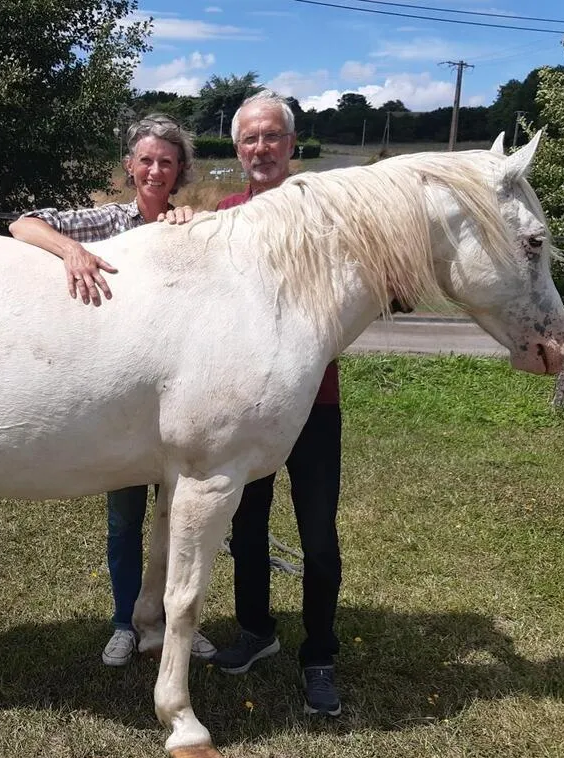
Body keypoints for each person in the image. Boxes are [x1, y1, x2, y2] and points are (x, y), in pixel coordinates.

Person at [8, 114, 215, 667]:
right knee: (125, 522)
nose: (154, 170)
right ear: (130, 167)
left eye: (166, 163)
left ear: (180, 172)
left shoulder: (190, 226)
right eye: (145, 160)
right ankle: (126, 621)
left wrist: (193, 224)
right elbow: (23, 224)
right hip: (126, 405)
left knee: (183, 522)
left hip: (184, 399)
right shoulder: (108, 221)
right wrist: (70, 250)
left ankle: (175, 625)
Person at [210, 90, 344, 717]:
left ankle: (319, 655)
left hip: (313, 405)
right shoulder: (226, 215)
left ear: (293, 144)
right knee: (246, 527)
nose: (261, 148)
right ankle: (256, 632)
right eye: (249, 139)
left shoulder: (327, 214)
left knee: (317, 536)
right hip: (246, 407)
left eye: (272, 137)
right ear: (238, 151)